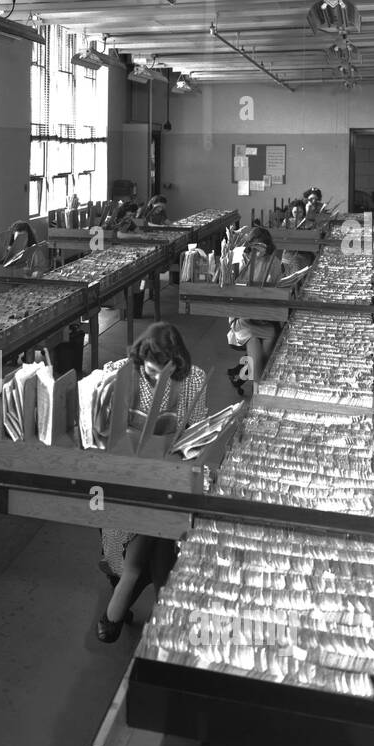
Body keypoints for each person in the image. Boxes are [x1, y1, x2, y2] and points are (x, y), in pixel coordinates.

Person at [96, 323, 209, 644]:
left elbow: (197, 432)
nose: (159, 379)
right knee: (160, 540)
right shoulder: (121, 375)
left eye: (167, 373)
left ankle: (118, 605)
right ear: (140, 359)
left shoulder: (194, 379)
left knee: (156, 529)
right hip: (125, 478)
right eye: (150, 372)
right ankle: (160, 610)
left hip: (168, 473)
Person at [225, 227, 282, 393]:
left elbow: (280, 290)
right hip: (244, 318)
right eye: (256, 247)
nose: (260, 252)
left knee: (267, 354)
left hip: (264, 317)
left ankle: (241, 375)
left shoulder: (274, 262)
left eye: (263, 248)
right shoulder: (241, 259)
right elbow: (230, 288)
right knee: (256, 357)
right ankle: (257, 397)